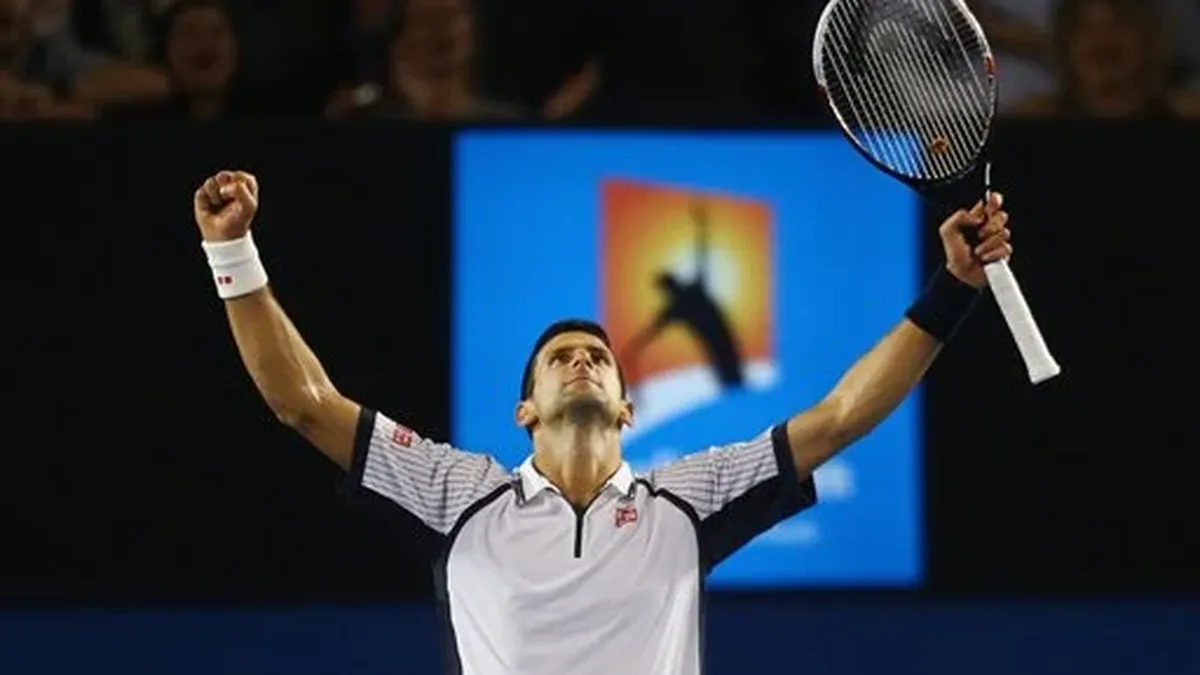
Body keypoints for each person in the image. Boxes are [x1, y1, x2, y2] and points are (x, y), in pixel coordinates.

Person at [193, 170, 1012, 675]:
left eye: (598, 356)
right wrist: (233, 254)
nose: (580, 360)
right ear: (524, 410)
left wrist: (952, 290)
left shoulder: (685, 499)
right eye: (559, 358)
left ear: (626, 404)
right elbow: (303, 402)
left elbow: (837, 418)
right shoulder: (456, 493)